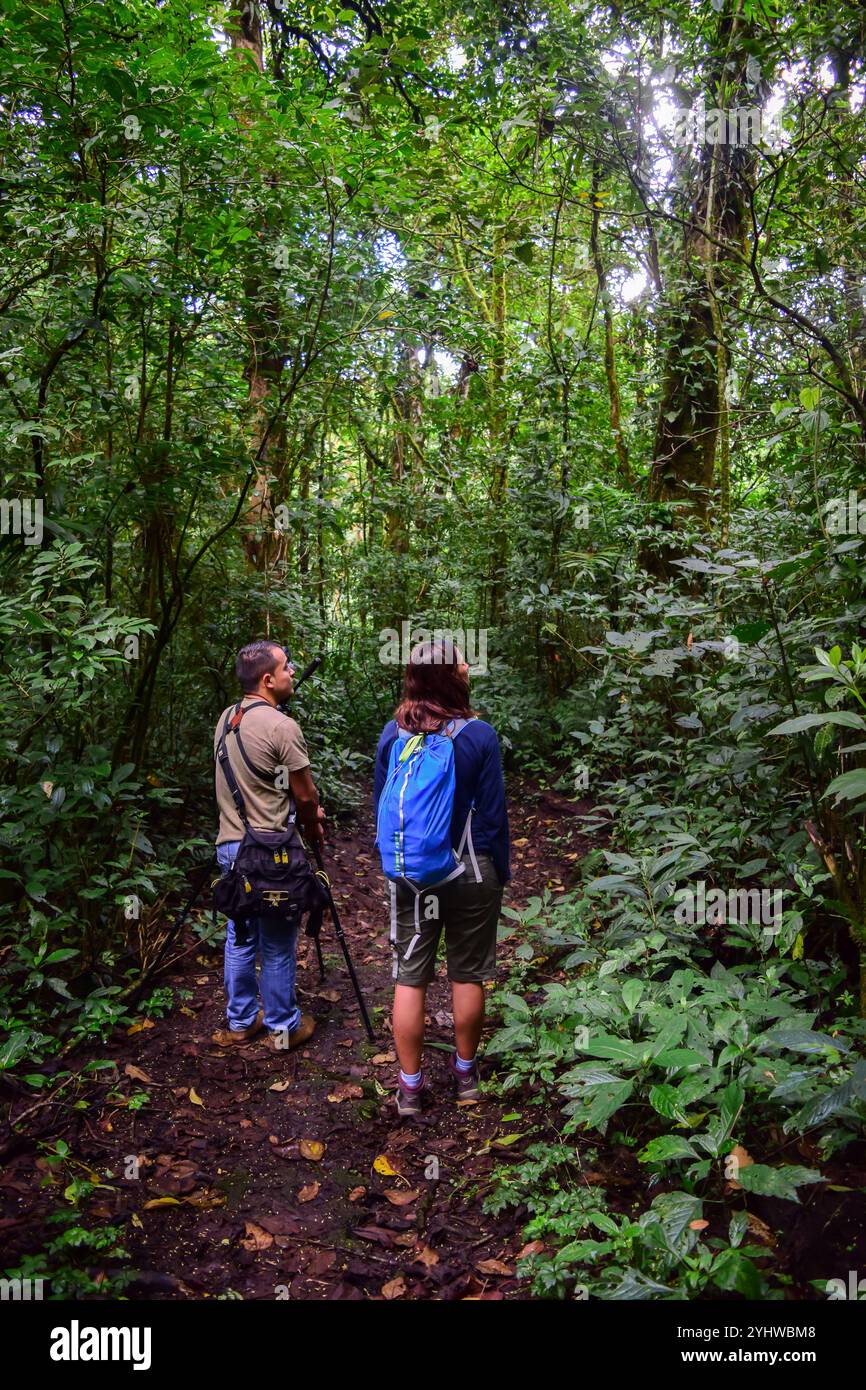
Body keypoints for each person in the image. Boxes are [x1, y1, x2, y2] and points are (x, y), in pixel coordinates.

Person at [373, 638, 510, 1116]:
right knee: (468, 973)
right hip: (471, 869)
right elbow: (493, 819)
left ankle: (410, 1089)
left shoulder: (393, 734)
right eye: (460, 661)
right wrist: (500, 872)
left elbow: (383, 809)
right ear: (450, 675)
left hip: (412, 875)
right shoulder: (479, 736)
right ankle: (466, 1077)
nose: (468, 665)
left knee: (410, 979)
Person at [212, 640, 325, 1053]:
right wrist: (314, 826)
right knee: (277, 943)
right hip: (271, 854)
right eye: (286, 667)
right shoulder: (282, 727)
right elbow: (306, 796)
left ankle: (241, 1021)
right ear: (267, 679)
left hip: (232, 847)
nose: (292, 672)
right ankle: (282, 1027)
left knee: (240, 935)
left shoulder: (227, 719)